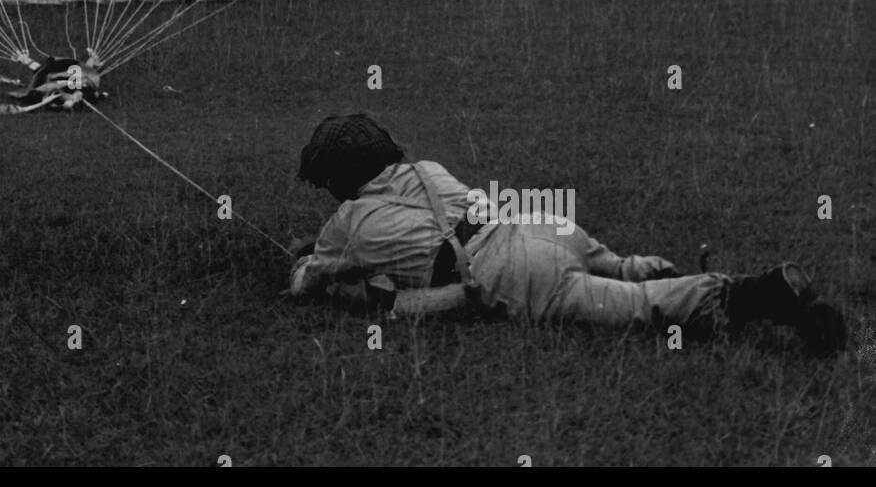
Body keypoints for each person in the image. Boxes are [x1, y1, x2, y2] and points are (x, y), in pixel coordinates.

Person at [286, 114, 847, 356]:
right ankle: (638, 263)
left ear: (340, 180)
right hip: (538, 224)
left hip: (516, 273)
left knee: (641, 308)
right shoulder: (427, 169)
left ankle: (764, 292)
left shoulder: (348, 225)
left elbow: (305, 283)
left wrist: (310, 263)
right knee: (619, 269)